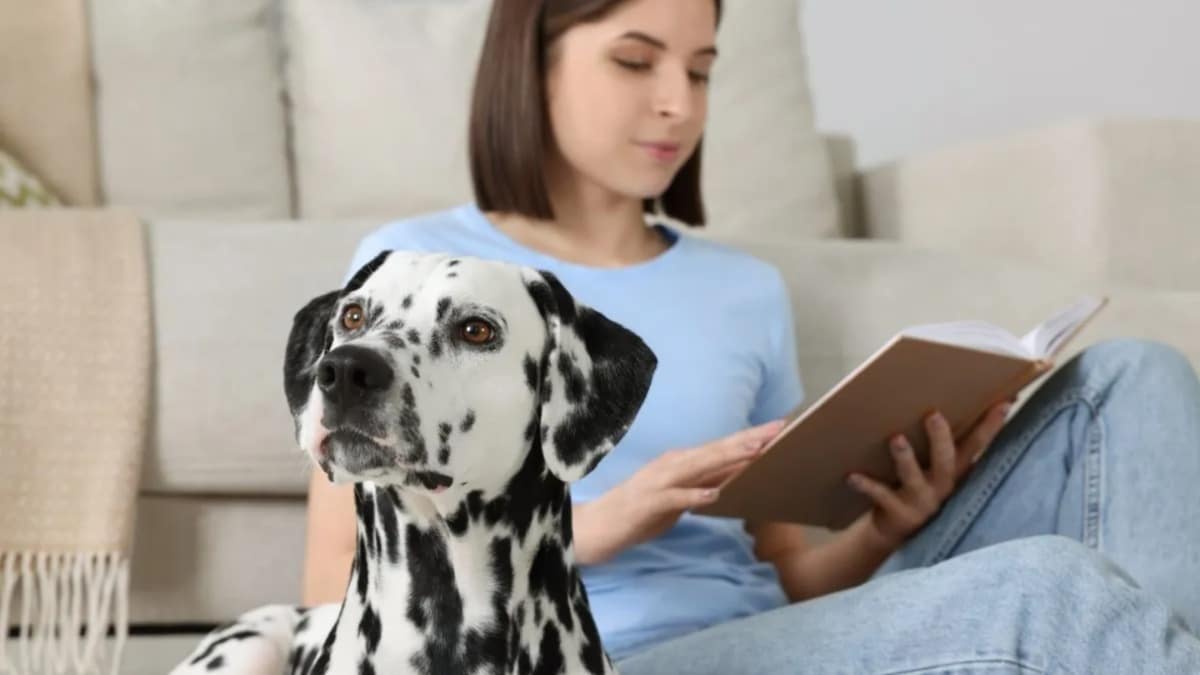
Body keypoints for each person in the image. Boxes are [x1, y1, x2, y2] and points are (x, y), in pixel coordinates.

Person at [303, 0, 1200, 671]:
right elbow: (331, 590)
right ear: (531, 63)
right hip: (591, 651)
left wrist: (889, 527)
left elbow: (787, 576)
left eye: (698, 72)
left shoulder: (744, 290)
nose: (676, 106)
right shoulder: (408, 274)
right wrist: (611, 517)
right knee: (1048, 589)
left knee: (1132, 375)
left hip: (774, 637)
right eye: (634, 61)